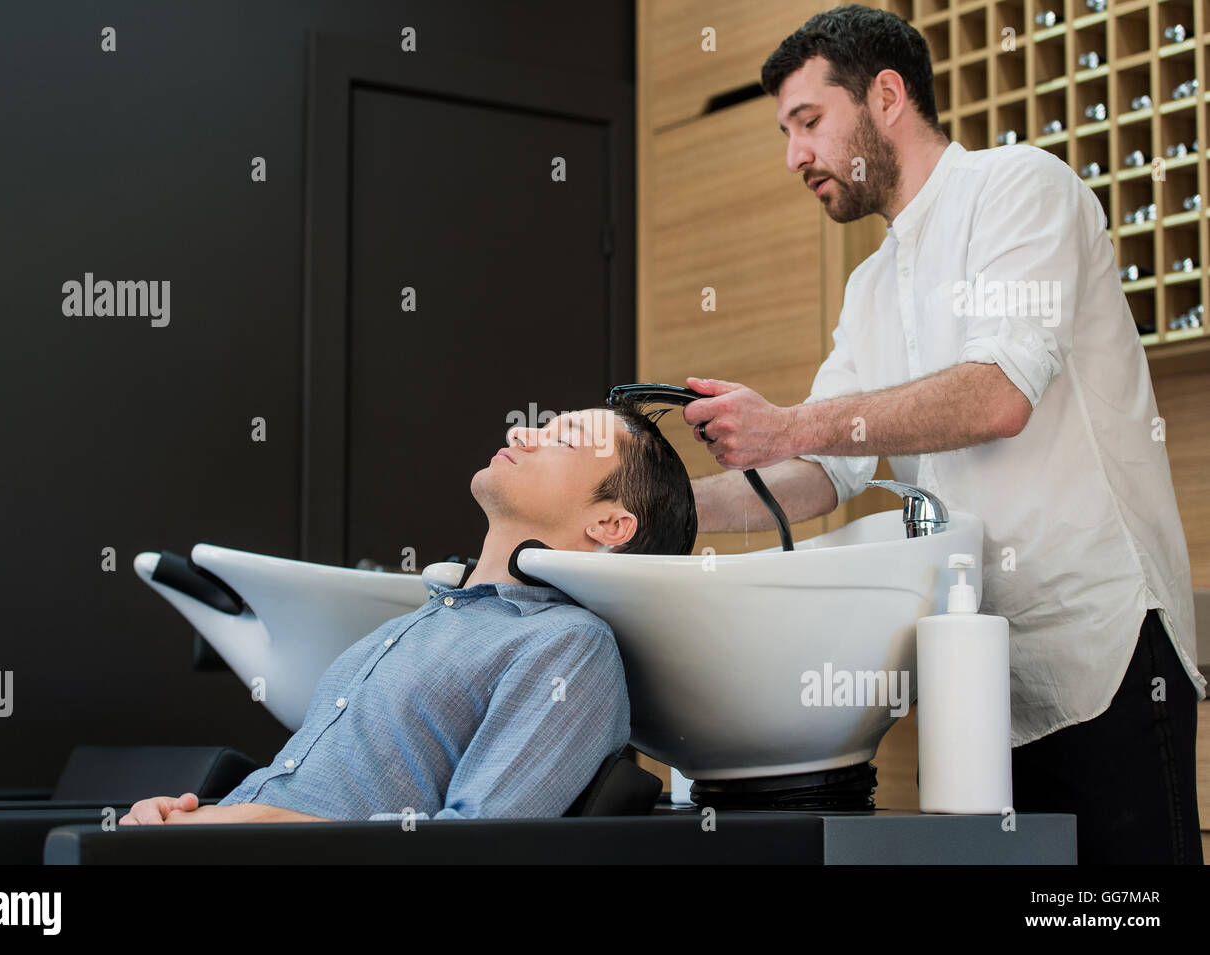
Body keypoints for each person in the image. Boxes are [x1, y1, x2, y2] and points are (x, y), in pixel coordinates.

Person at [685, 4, 1205, 863]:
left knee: (1130, 919)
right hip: (978, 683)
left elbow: (999, 395)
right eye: (785, 131)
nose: (794, 157)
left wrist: (786, 425)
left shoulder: (1022, 190)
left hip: (1104, 651)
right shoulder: (870, 287)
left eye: (809, 122)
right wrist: (657, 514)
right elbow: (823, 473)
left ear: (887, 96)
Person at [121, 399, 697, 824]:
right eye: (540, 426)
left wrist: (262, 827)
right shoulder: (415, 625)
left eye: (563, 440)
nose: (523, 434)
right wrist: (198, 815)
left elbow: (476, 848)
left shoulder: (569, 646)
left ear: (611, 524)